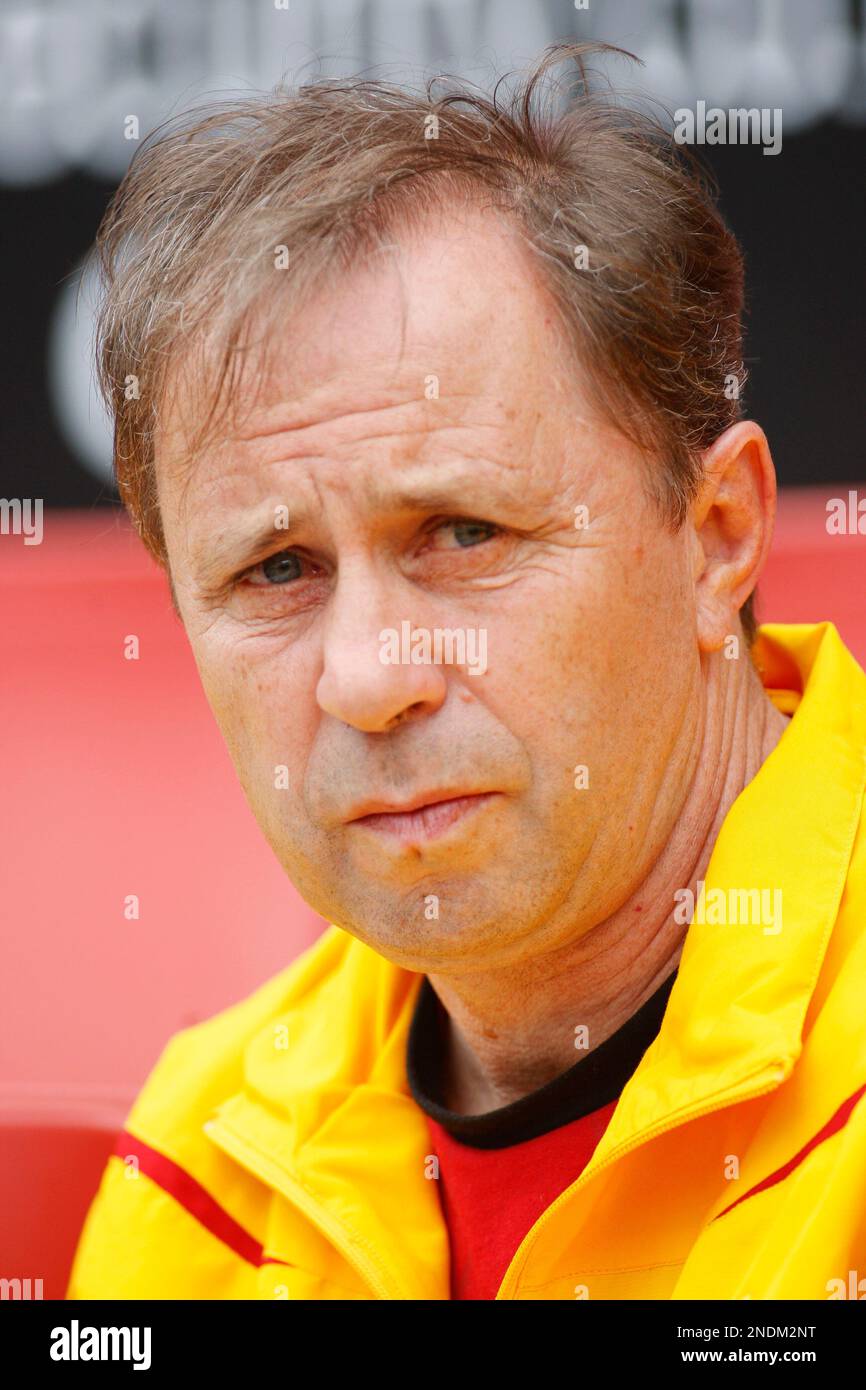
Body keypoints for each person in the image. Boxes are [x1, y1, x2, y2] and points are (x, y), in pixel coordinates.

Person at [67, 42, 866, 1300]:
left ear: (714, 537)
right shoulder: (201, 1175)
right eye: (276, 570)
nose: (372, 677)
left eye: (462, 533)